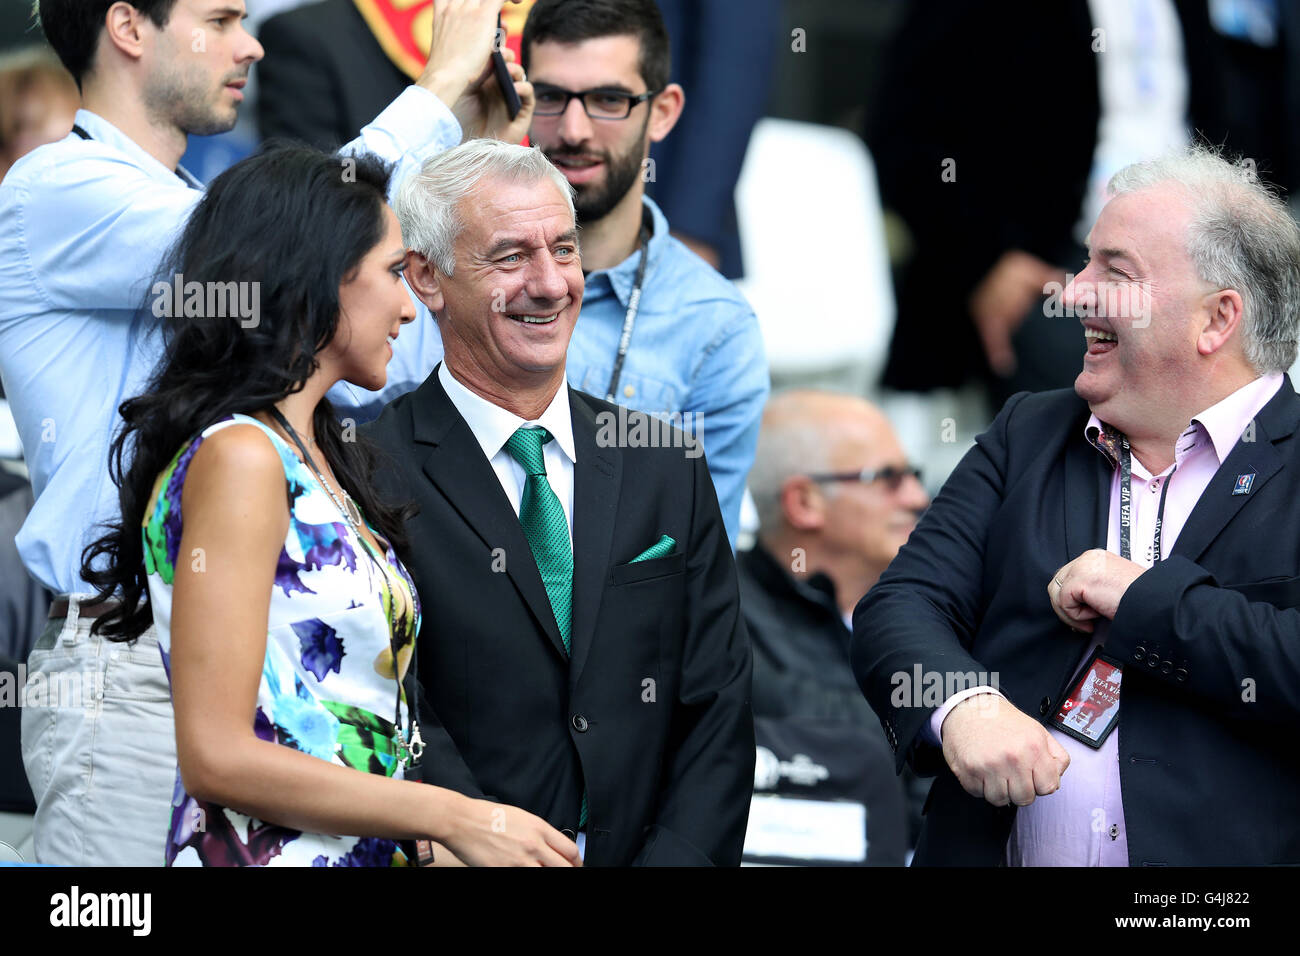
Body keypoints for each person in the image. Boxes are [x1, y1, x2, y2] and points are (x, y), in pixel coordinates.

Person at [0, 0, 531, 866]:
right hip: (133, 672)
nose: (252, 43)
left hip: (287, 674)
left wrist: (483, 162)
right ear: (129, 27)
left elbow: (394, 340)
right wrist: (433, 88)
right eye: (222, 16)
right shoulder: (51, 189)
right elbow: (276, 248)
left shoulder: (220, 225)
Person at [80, 144, 580, 867]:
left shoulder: (322, 452)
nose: (410, 308)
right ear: (321, 278)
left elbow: (344, 737)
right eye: (392, 273)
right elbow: (217, 756)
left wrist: (461, 846)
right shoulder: (243, 457)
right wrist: (457, 816)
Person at [852, 145, 1300, 866]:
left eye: (1113, 272)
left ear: (1216, 319)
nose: (1074, 293)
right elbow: (900, 606)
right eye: (1085, 263)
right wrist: (959, 704)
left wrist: (1150, 603)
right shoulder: (1028, 431)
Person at [364, 138, 755, 866]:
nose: (549, 284)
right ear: (427, 277)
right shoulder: (369, 474)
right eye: (510, 257)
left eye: (565, 250)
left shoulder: (664, 463)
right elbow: (390, 706)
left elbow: (716, 709)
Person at [340, 0, 770, 550]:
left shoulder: (714, 326)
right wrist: (459, 147)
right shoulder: (436, 265)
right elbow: (300, 281)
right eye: (551, 97)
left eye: (608, 100)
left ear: (662, 112)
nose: (572, 130)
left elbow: (696, 565)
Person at [740, 389, 928, 856]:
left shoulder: (939, 612)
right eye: (887, 478)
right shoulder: (717, 619)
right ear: (804, 502)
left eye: (914, 475)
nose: (918, 497)